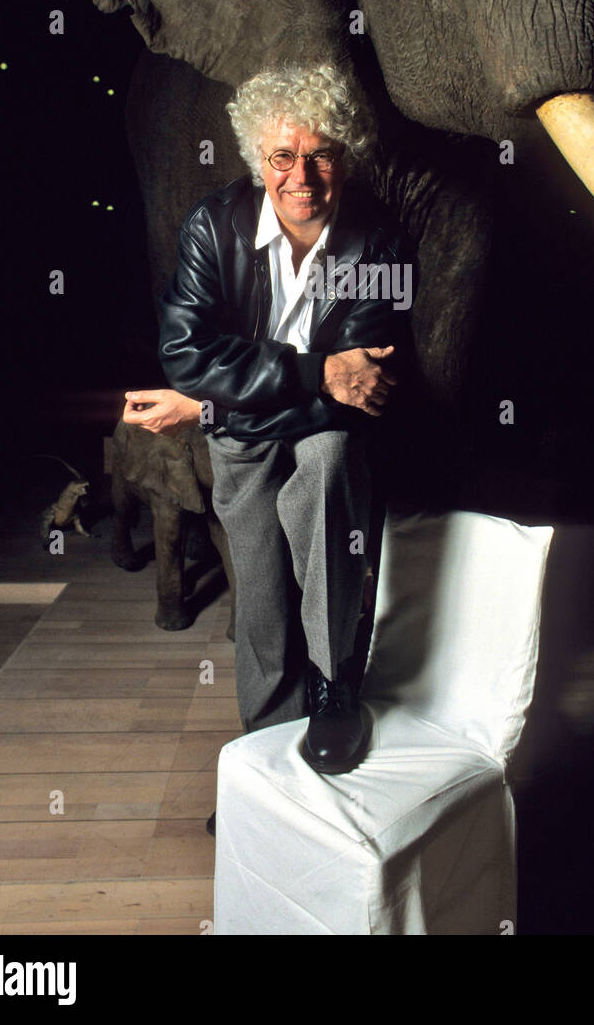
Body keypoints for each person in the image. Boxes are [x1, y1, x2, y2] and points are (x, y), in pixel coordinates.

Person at [124, 63, 415, 789]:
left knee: (329, 460)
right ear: (260, 160)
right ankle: (266, 758)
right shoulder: (210, 226)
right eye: (283, 156)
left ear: (344, 154)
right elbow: (187, 355)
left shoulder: (378, 242)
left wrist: (210, 402)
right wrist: (314, 372)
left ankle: (334, 688)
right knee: (256, 584)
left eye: (320, 153)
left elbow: (365, 389)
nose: (302, 175)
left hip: (322, 426)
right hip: (250, 425)